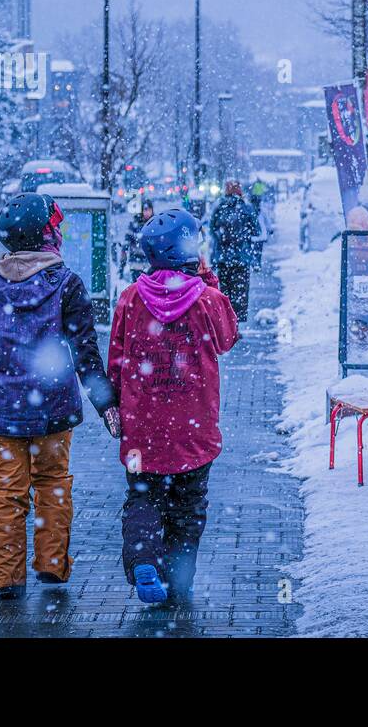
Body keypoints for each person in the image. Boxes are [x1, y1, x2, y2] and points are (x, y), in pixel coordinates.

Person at [0, 193, 119, 601]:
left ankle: (7, 579)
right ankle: (52, 566)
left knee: (6, 493)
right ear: (46, 235)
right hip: (52, 410)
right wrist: (106, 404)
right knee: (52, 484)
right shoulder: (68, 286)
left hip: (1, 411)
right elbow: (85, 353)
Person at [109, 208, 239, 604]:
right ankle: (180, 579)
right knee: (188, 506)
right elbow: (228, 337)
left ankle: (145, 558)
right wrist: (208, 279)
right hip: (193, 430)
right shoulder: (207, 299)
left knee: (141, 496)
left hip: (141, 431)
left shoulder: (131, 300)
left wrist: (117, 405)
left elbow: (116, 360)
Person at [208, 181, 259, 321]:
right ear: (239, 191)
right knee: (240, 293)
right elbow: (256, 230)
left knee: (225, 293)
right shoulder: (246, 208)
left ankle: (226, 323)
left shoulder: (219, 207)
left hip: (223, 259)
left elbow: (212, 229)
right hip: (241, 259)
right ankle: (236, 322)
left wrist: (222, 239)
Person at [120, 198, 154, 282]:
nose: (147, 212)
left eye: (149, 210)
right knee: (137, 288)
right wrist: (122, 263)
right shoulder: (135, 225)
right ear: (141, 210)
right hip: (136, 264)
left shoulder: (155, 224)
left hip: (150, 265)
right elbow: (126, 243)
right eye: (145, 210)